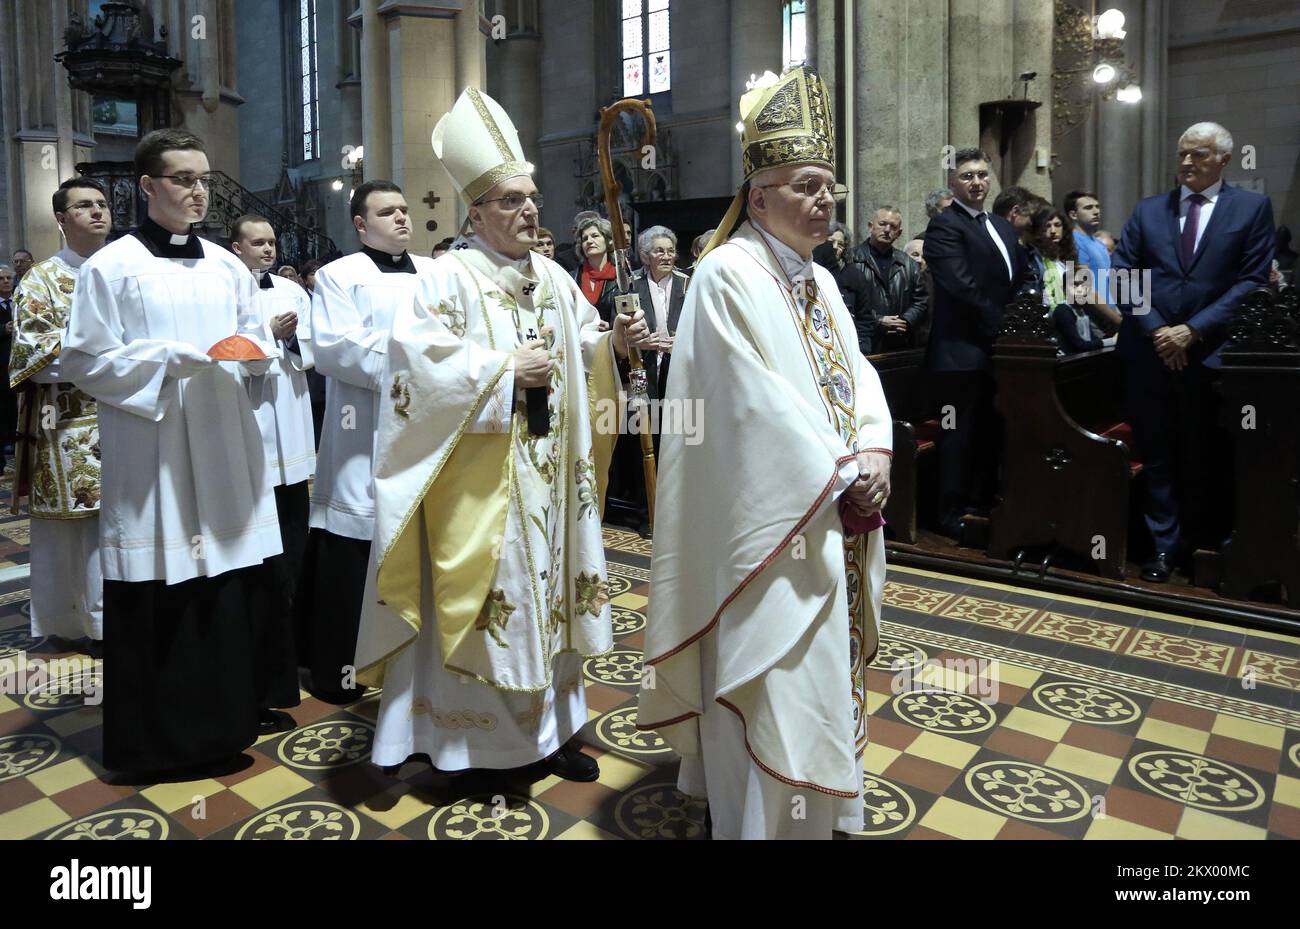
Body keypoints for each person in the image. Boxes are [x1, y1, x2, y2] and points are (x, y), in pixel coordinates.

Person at [352, 86, 652, 781]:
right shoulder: (444, 280)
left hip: (553, 479)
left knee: (554, 595)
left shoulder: (551, 276)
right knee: (494, 600)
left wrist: (616, 345)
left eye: (532, 198)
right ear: (475, 212)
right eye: (511, 201)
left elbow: (585, 348)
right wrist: (497, 371)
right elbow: (411, 375)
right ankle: (470, 742)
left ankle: (551, 733)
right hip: (481, 488)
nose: (528, 211)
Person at [638, 67, 893, 839]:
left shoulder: (818, 279)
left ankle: (818, 813)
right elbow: (749, 407)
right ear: (758, 197)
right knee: (774, 672)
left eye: (829, 188)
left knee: (820, 675)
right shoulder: (726, 274)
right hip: (772, 525)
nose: (824, 201)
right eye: (806, 185)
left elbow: (857, 371)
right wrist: (844, 471)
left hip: (827, 510)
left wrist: (876, 443)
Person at [62, 128, 286, 779]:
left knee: (225, 583)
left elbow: (252, 336)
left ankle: (225, 724)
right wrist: (162, 362)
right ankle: (155, 743)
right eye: (184, 179)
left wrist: (256, 352)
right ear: (148, 186)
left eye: (204, 179)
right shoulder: (112, 266)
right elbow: (83, 358)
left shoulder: (225, 264)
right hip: (152, 449)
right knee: (160, 589)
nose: (198, 191)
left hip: (223, 445)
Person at [1112, 121, 1274, 582]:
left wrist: (1193, 331)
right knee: (1157, 451)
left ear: (1224, 159)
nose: (1186, 162)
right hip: (1149, 352)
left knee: (1205, 451)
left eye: (1198, 155)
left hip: (1210, 354)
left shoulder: (1250, 208)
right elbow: (1123, 272)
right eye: (1182, 153)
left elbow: (1251, 280)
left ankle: (1203, 547)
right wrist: (1161, 330)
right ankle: (1161, 549)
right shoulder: (1149, 210)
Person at [294, 180, 435, 704]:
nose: (401, 218)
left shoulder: (438, 272)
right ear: (360, 224)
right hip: (363, 432)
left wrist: (429, 363)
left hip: (427, 429)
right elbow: (335, 348)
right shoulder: (338, 275)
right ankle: (344, 668)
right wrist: (421, 360)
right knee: (355, 544)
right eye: (387, 212)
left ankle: (412, 663)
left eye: (404, 209)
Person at [9, 178, 111, 646]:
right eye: (84, 205)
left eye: (102, 204)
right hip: (70, 425)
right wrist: (106, 360)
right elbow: (34, 359)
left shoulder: (123, 270)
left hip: (132, 415)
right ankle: (92, 622)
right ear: (61, 219)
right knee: (85, 530)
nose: (97, 212)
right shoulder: (43, 279)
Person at [230, 215, 317, 708]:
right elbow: (228, 351)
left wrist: (290, 340)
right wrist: (266, 334)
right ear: (237, 246)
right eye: (257, 242)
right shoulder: (228, 290)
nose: (267, 249)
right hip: (254, 415)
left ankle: (294, 604)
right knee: (262, 520)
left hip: (291, 412)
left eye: (271, 242)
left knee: (295, 519)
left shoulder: (294, 293)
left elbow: (315, 351)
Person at [923, 147, 1029, 540]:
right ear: (952, 182)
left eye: (982, 175)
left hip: (998, 351)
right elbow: (961, 286)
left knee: (989, 431)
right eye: (967, 176)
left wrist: (1023, 313)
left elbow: (1019, 275)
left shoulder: (1001, 226)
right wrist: (1005, 326)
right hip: (959, 355)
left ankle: (982, 503)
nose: (977, 182)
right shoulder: (944, 226)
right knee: (958, 435)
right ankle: (949, 512)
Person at [852, 205, 929, 353]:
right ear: (870, 226)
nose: (887, 230)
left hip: (900, 343)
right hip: (865, 342)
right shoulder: (852, 259)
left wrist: (905, 321)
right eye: (882, 224)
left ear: (899, 233)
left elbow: (921, 300)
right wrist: (877, 321)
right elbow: (847, 302)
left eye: (893, 226)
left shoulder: (909, 264)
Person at [814, 221, 871, 353]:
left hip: (849, 344)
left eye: (840, 244)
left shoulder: (854, 275)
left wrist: (862, 347)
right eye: (830, 241)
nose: (834, 247)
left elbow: (864, 317)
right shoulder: (808, 271)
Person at [573, 215, 619, 323]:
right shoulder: (572, 278)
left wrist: (612, 327)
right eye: (585, 239)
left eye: (595, 236)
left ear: (608, 241)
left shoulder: (621, 277)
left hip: (611, 337)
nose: (589, 241)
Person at [0, 266, 15, 471]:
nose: (5, 281)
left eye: (8, 278)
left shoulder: (21, 300)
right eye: (1, 278)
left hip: (18, 365)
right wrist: (4, 329)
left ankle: (13, 440)